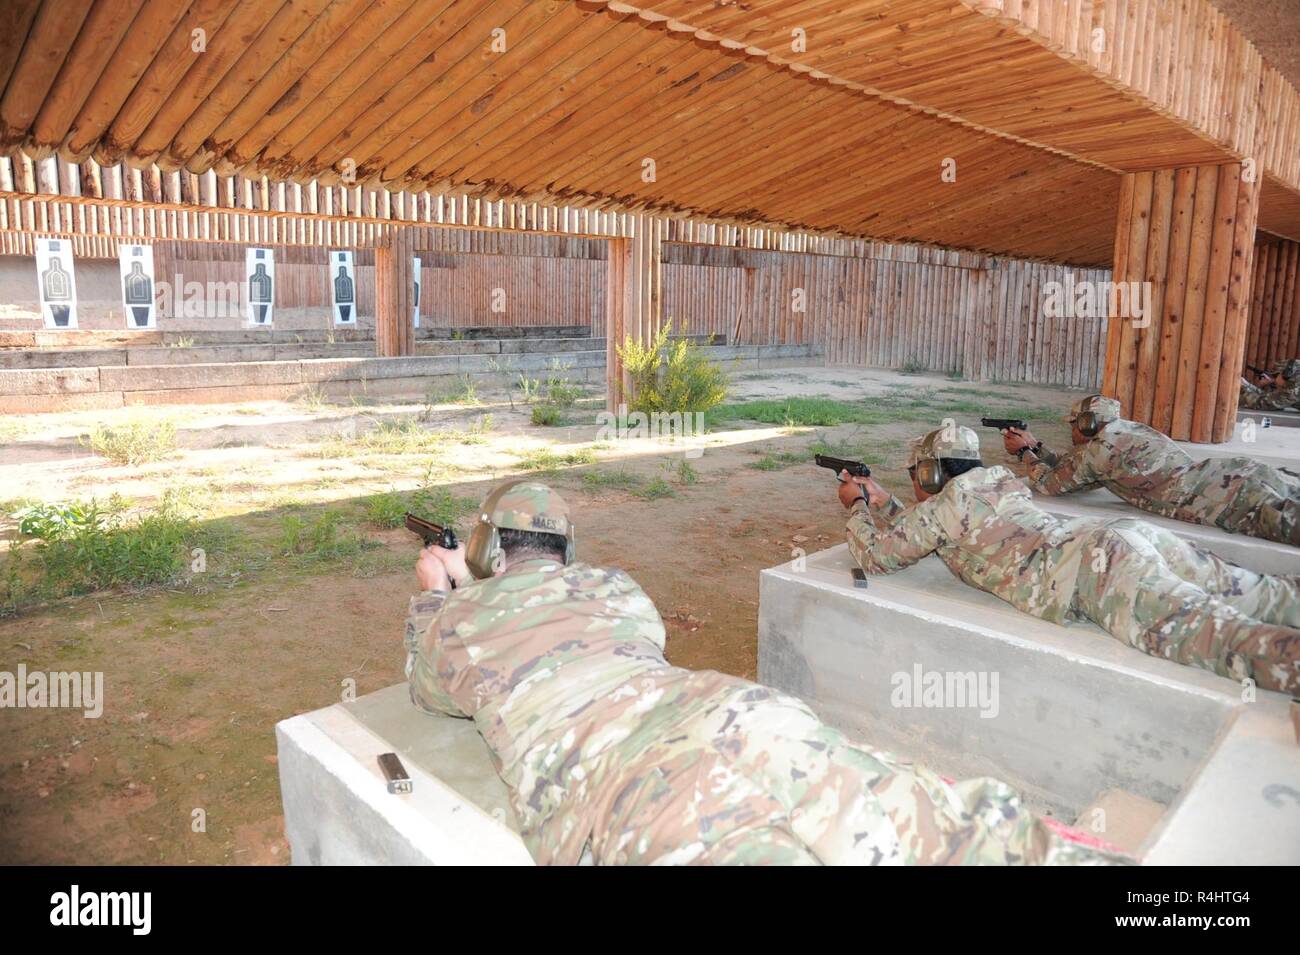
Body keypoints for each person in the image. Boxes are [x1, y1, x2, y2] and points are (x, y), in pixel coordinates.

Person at [403, 479, 1121, 866]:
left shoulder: (460, 625)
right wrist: (495, 588)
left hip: (626, 781)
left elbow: (430, 686)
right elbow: (623, 631)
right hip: (736, 712)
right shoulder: (614, 587)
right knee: (934, 822)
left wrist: (439, 591)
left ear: (489, 546)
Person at [839, 424, 1300, 694]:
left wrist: (857, 507)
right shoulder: (999, 484)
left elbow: (878, 556)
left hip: (1098, 572)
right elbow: (941, 532)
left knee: (1225, 640)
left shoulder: (946, 509)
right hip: (1125, 540)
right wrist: (883, 503)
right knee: (1268, 596)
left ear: (930, 471)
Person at [999, 394, 1300, 547]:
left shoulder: (1099, 450)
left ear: (1086, 424)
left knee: (1289, 525)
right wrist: (1038, 448)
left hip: (1221, 498)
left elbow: (1053, 484)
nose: (1071, 431)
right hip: (1234, 475)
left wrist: (1026, 453)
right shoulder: (1124, 433)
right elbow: (1076, 469)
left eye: (1073, 424)